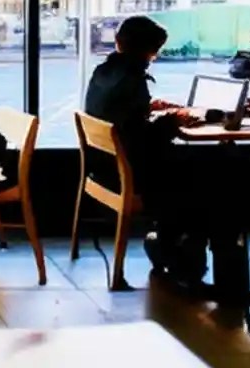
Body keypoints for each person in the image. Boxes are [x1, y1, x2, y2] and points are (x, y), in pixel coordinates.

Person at [83, 16, 207, 280]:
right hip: (128, 174)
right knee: (202, 176)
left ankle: (168, 246)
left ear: (118, 43)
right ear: (151, 50)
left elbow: (117, 114)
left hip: (102, 168)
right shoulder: (133, 79)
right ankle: (178, 254)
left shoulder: (103, 72)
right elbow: (140, 138)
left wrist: (150, 107)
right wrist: (173, 121)